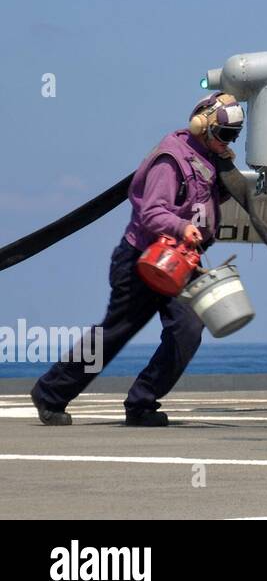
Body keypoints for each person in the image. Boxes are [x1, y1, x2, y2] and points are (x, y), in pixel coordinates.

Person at [30, 93, 244, 427]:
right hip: (144, 260)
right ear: (203, 126)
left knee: (188, 330)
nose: (228, 142)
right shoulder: (170, 159)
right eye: (224, 134)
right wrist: (182, 226)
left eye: (234, 136)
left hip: (181, 263)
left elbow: (204, 200)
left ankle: (142, 402)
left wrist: (226, 181)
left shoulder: (208, 160)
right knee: (115, 332)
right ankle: (50, 393)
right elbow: (152, 212)